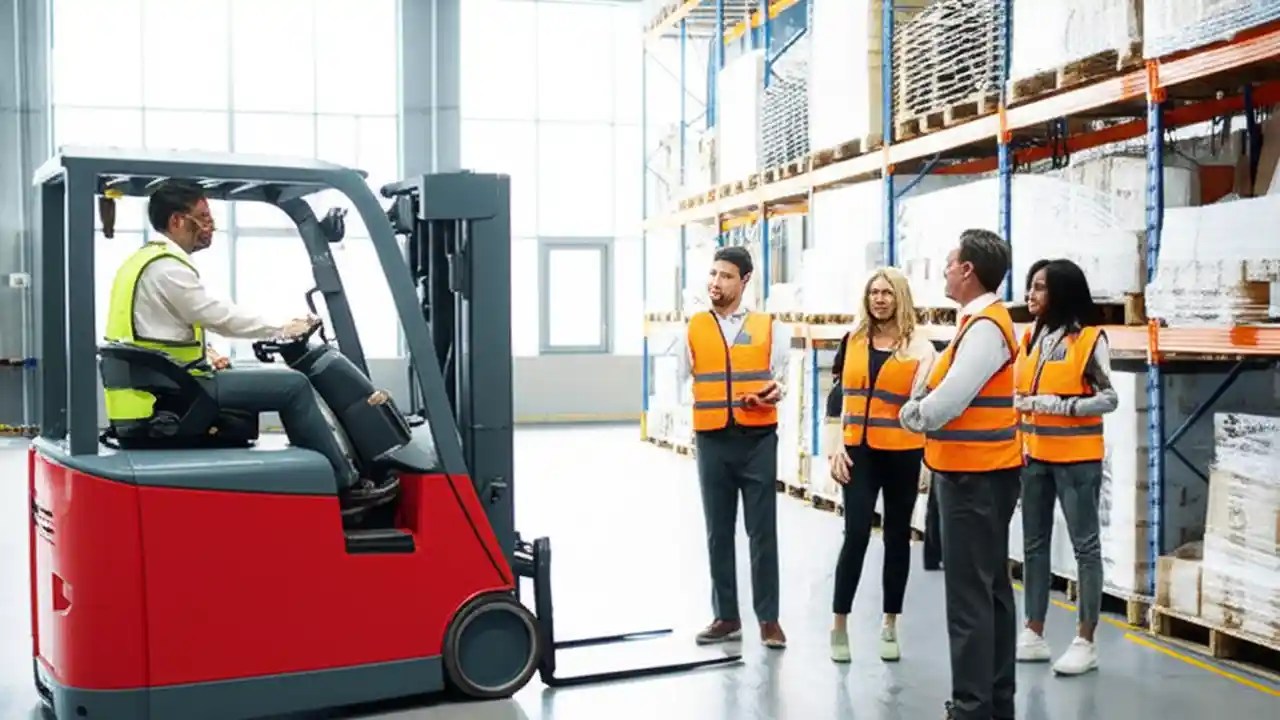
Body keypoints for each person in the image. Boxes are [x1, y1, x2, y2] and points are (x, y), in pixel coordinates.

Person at [103, 179, 358, 487]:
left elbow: (158, 326)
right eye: (204, 217)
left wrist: (205, 352)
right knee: (294, 385)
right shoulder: (167, 267)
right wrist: (283, 326)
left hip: (165, 385)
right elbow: (218, 316)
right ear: (177, 220)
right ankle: (343, 482)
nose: (211, 226)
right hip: (171, 395)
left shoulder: (144, 261)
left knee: (263, 372)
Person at [899, 229, 1022, 720]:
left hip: (976, 479)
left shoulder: (986, 327)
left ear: (968, 270)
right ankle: (993, 702)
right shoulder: (977, 323)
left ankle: (972, 708)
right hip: (977, 475)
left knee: (970, 599)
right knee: (988, 592)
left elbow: (953, 397)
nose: (946, 270)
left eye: (950, 263)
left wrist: (914, 415)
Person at [672, 246, 792, 650]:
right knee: (717, 532)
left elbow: (782, 379)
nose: (715, 283)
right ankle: (726, 616)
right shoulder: (693, 327)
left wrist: (774, 393)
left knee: (763, 533)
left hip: (757, 440)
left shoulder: (769, 327)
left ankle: (769, 619)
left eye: (725, 276)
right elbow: (680, 377)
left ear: (744, 281)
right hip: (712, 440)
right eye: (712, 274)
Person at [823, 267, 937, 664]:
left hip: (903, 452)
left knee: (896, 538)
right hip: (859, 451)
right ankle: (839, 624)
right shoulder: (852, 340)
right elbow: (838, 398)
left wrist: (927, 460)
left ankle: (890, 623)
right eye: (874, 292)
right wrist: (834, 446)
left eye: (888, 292)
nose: (880, 299)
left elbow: (927, 407)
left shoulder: (921, 349)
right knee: (854, 534)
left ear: (900, 298)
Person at [1013, 258, 1118, 676]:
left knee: (1084, 547)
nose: (1031, 294)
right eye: (1030, 286)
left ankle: (1085, 639)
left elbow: (1109, 398)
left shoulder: (1089, 339)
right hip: (1034, 457)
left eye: (1039, 287)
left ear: (1061, 291)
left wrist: (1061, 406)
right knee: (1033, 546)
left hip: (1076, 462)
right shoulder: (1031, 339)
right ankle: (1034, 630)